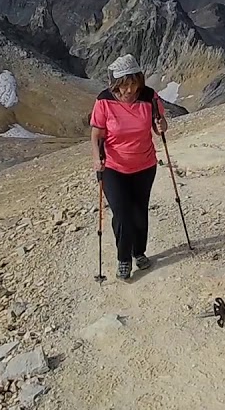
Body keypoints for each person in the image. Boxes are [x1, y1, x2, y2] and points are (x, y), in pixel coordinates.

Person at [89, 53, 168, 281]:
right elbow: (96, 135)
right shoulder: (104, 101)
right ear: (116, 84)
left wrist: (161, 125)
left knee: (139, 212)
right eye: (124, 86)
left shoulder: (150, 97)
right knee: (122, 213)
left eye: (134, 84)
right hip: (113, 166)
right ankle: (124, 258)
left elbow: (158, 125)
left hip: (144, 165)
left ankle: (139, 252)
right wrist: (97, 158)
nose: (130, 90)